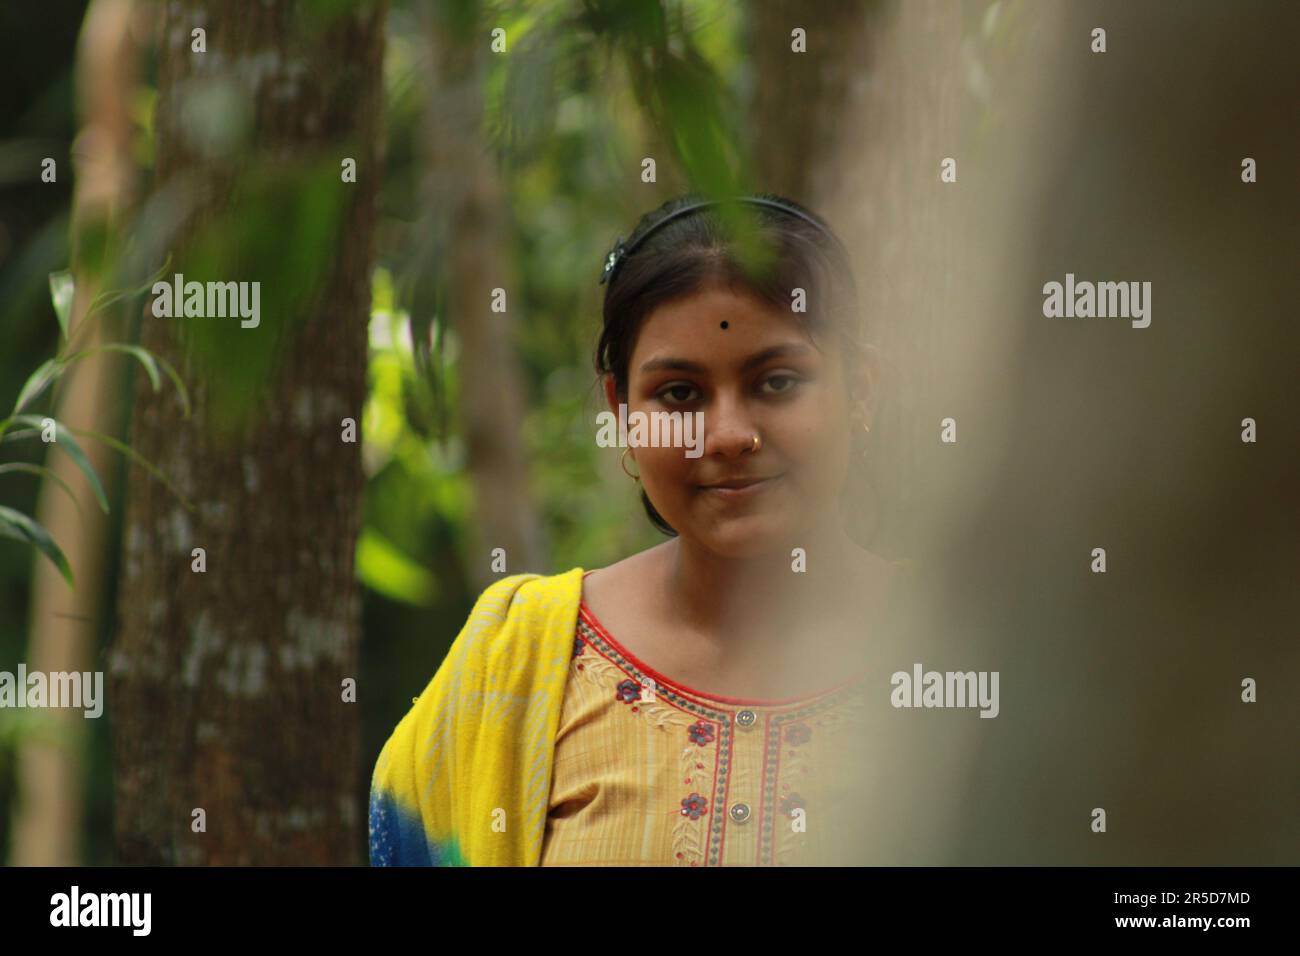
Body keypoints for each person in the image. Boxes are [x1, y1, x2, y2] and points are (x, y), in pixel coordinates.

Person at [369, 192, 909, 866]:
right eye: (680, 394)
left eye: (777, 382)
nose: (731, 435)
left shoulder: (981, 650)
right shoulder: (521, 659)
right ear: (622, 410)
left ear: (861, 389)